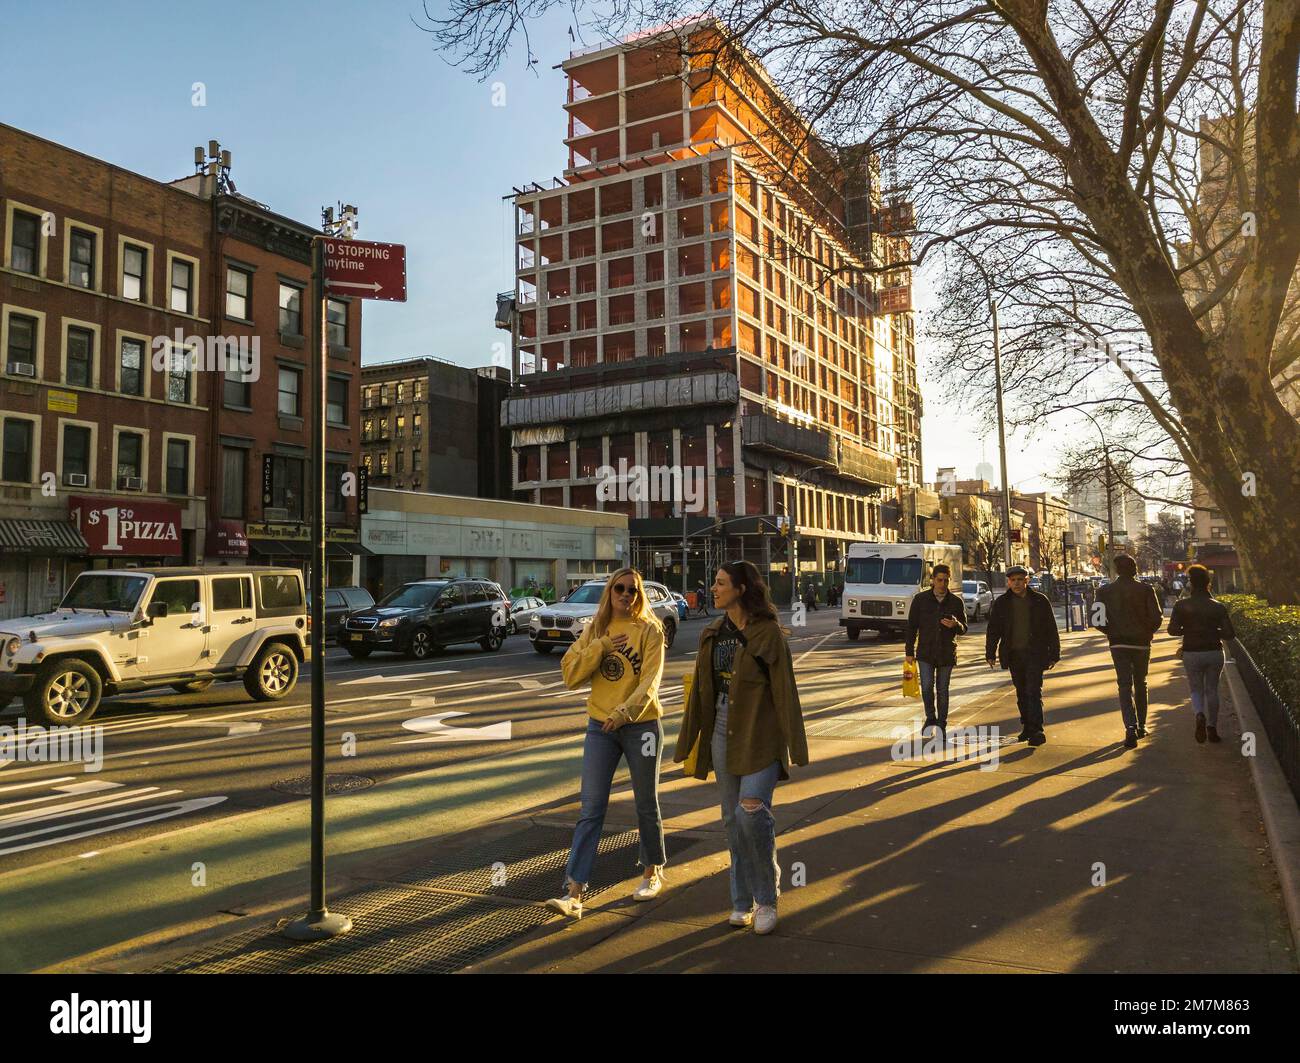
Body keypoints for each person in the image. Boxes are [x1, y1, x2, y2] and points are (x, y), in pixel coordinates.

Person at [674, 560, 808, 936]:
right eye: (714, 583)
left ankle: (766, 897)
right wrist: (688, 741)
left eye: (720, 583)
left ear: (741, 589)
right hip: (721, 728)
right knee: (733, 821)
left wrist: (795, 746)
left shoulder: (769, 634)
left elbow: (785, 692)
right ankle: (741, 900)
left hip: (761, 731)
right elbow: (702, 692)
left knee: (750, 813)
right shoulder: (712, 633)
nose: (713, 589)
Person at [545, 568, 667, 920]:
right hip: (600, 727)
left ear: (639, 595)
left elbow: (650, 682)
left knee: (646, 802)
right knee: (591, 808)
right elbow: (569, 673)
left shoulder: (651, 630)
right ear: (610, 592)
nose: (626, 595)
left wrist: (624, 712)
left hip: (641, 727)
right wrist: (599, 647)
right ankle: (574, 892)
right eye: (619, 589)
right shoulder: (596, 629)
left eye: (632, 590)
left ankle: (651, 871)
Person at [1094, 554, 1164, 748]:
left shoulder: (1104, 591)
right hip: (1141, 643)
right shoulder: (1146, 590)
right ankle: (1142, 725)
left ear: (1117, 570)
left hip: (1118, 644)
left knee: (1124, 685)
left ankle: (1130, 727)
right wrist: (1146, 632)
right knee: (1141, 682)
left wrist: (1111, 632)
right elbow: (1157, 617)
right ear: (1134, 569)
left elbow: (1097, 619)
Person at [985, 565, 1061, 745]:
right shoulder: (1002, 603)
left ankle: (1037, 730)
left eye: (1020, 580)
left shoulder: (1040, 600)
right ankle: (1027, 726)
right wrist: (990, 652)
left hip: (1035, 653)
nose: (1017, 583)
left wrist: (1054, 653)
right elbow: (993, 629)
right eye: (1013, 580)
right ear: (1008, 582)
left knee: (1033, 691)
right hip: (1014, 655)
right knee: (1021, 692)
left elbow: (1051, 628)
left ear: (1027, 580)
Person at [1168, 564, 1236, 744]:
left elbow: (1172, 630)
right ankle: (1212, 727)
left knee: (1196, 688)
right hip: (1214, 651)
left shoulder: (1181, 605)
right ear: (1208, 583)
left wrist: (1188, 629)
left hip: (1191, 652)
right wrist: (1212, 630)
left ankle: (1199, 714)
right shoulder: (1218, 606)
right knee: (1212, 689)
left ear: (1190, 583)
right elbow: (1229, 633)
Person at [905, 563, 968, 735]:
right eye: (939, 580)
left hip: (946, 653)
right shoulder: (920, 599)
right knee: (926, 687)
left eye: (946, 580)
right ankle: (930, 717)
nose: (943, 584)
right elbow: (911, 627)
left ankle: (941, 723)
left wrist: (956, 624)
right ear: (933, 580)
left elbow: (964, 628)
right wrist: (909, 652)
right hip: (925, 652)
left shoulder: (956, 602)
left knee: (942, 690)